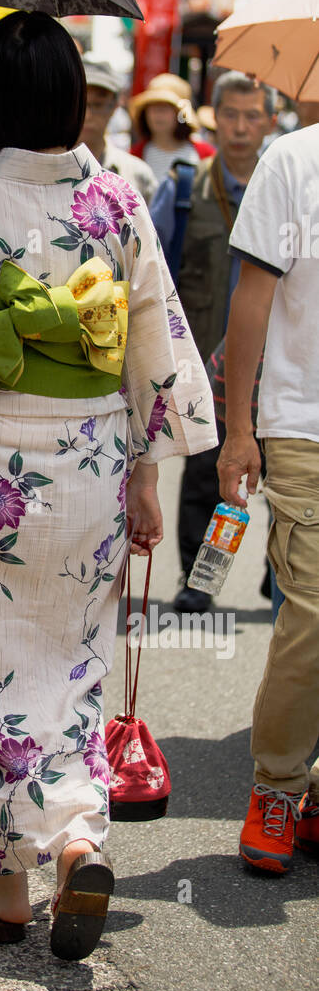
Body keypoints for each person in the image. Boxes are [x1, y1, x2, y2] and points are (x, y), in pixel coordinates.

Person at [0, 11, 216, 961]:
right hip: (92, 463)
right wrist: (149, 480)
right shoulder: (119, 204)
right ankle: (77, 837)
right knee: (73, 662)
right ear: (73, 100)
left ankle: (8, 885)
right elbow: (153, 349)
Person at [217, 121, 319, 874]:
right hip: (304, 427)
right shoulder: (294, 159)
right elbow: (252, 300)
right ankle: (277, 787)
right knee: (313, 615)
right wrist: (238, 429)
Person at [150, 71, 276, 612]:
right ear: (212, 118)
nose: (241, 128)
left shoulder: (290, 188)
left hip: (277, 364)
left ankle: (282, 577)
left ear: (271, 121)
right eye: (231, 115)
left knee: (285, 476)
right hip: (203, 363)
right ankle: (199, 579)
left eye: (253, 116)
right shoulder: (184, 190)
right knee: (206, 473)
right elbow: (147, 273)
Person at [80, 56, 157, 202]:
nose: (88, 115)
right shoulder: (46, 170)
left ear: (115, 106)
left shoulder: (138, 175)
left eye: (97, 105)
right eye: (81, 104)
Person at [130, 72, 215, 186]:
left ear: (181, 114)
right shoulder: (134, 155)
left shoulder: (206, 155)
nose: (158, 114)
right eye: (153, 106)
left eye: (165, 107)